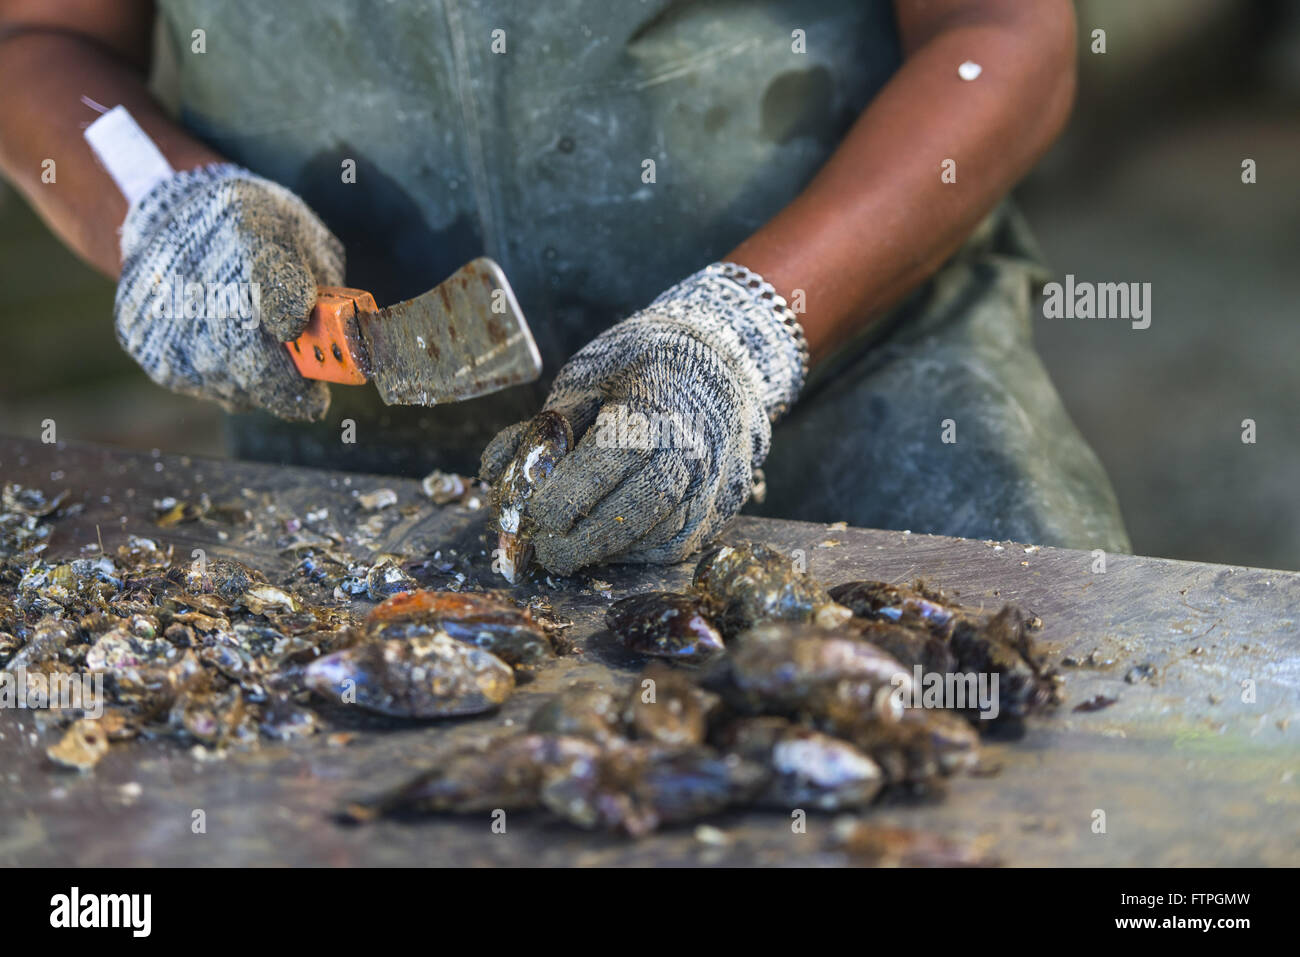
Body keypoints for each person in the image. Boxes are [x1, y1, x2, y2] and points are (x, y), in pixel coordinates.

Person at [0, 0, 1130, 577]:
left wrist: (747, 330)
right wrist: (163, 206)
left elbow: (1001, 30)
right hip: (367, 452)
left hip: (859, 390)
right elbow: (39, 34)